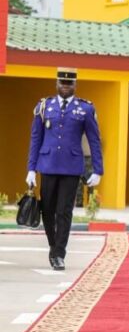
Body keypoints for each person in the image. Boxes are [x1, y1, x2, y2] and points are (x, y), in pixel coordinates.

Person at [26, 67, 103, 271]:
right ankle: (53, 246)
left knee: (64, 212)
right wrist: (31, 169)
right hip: (48, 165)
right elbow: (36, 139)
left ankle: (60, 253)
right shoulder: (44, 106)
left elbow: (95, 140)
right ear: (56, 83)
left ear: (75, 85)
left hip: (71, 167)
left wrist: (98, 170)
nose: (65, 87)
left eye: (69, 84)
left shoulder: (85, 109)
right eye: (62, 83)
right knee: (48, 211)